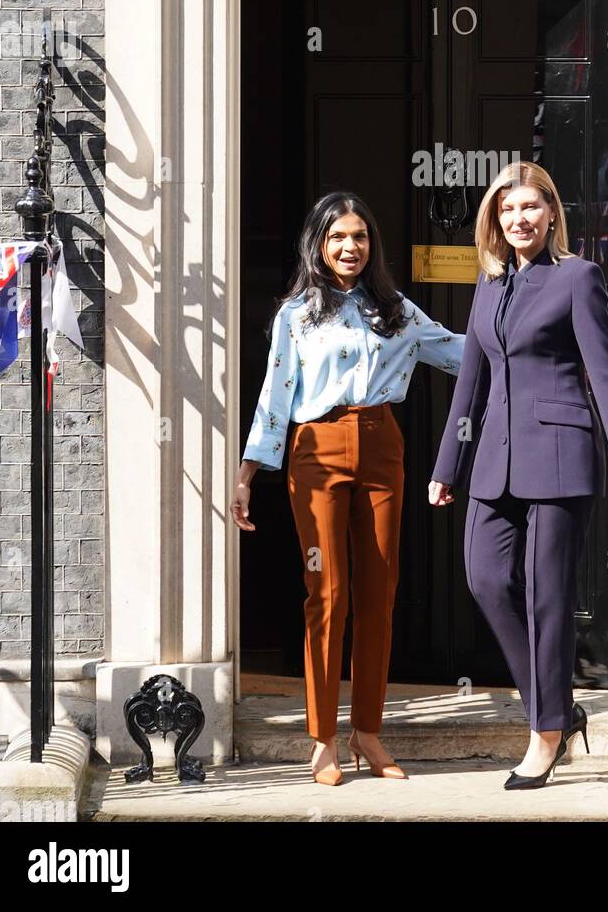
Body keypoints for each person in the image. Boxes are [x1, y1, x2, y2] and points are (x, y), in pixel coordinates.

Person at [428, 160, 608, 790]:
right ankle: (557, 705)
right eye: (506, 210)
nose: (518, 219)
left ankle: (546, 732)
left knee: (546, 593)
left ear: (552, 213)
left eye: (530, 207)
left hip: (561, 456)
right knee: (485, 578)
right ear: (494, 222)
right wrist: (447, 464)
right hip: (492, 464)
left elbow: (605, 376)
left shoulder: (578, 278)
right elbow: (468, 387)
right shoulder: (487, 285)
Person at [232, 192, 465, 785]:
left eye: (359, 237)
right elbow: (275, 393)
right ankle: (322, 739)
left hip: (383, 445)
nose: (350, 248)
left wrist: (522, 336)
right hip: (317, 451)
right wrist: (249, 472)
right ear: (318, 243)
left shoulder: (396, 310)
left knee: (379, 592)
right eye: (338, 237)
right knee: (327, 592)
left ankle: (368, 732)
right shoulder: (297, 315)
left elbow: (461, 354)